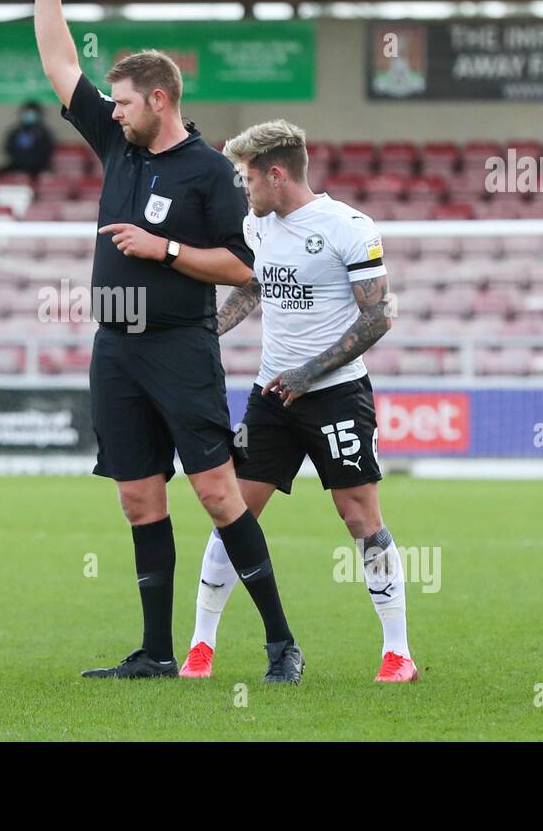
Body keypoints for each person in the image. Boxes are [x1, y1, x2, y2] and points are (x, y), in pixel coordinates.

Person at [32, 0, 303, 683]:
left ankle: (281, 641)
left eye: (122, 102)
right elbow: (59, 62)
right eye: (109, 103)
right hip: (114, 349)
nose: (110, 112)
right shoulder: (117, 144)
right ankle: (155, 652)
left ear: (159, 99)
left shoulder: (213, 172)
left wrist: (168, 252)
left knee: (218, 494)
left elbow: (245, 268)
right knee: (137, 501)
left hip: (180, 347)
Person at [179, 119, 417, 684]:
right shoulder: (257, 227)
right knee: (231, 511)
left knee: (360, 516)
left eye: (247, 178)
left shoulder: (348, 227)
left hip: (335, 393)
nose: (243, 189)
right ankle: (201, 646)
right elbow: (252, 288)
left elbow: (380, 314)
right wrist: (204, 333)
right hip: (271, 397)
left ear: (276, 174)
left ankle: (397, 652)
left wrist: (310, 371)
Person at [0, 100, 54, 180]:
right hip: (17, 164)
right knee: (1, 172)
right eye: (27, 112)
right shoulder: (15, 132)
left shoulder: (43, 133)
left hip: (38, 167)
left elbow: (48, 150)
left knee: (46, 175)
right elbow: (8, 148)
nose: (29, 115)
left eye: (32, 113)